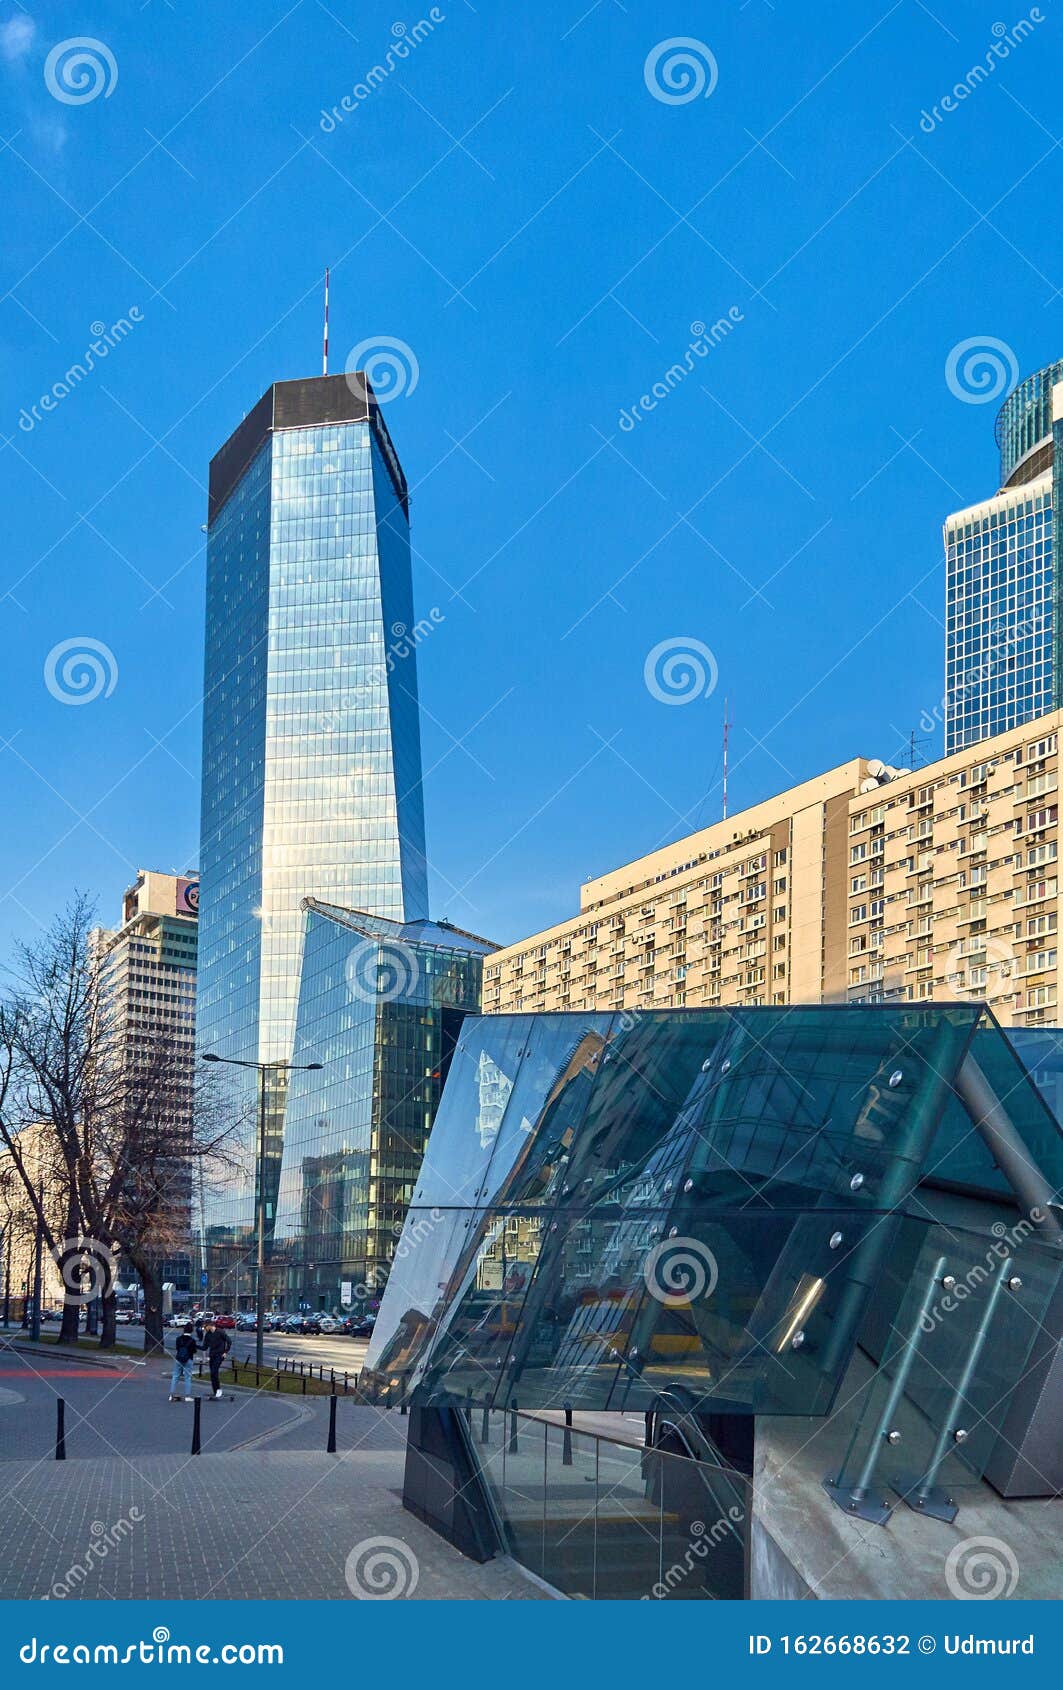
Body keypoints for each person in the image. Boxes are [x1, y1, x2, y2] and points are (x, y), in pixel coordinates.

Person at [169, 1322, 196, 1402]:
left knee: (175, 1376)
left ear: (184, 1330)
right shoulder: (192, 1340)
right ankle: (187, 1396)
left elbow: (177, 1348)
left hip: (178, 1359)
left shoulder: (178, 1339)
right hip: (189, 1359)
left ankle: (171, 1395)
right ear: (191, 1330)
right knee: (187, 1378)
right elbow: (194, 1351)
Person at [204, 1321, 231, 1400]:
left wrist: (225, 1352)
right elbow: (204, 1347)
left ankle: (218, 1390)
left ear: (210, 1325)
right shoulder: (208, 1335)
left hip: (219, 1355)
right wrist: (193, 1346)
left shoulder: (220, 1332)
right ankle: (215, 1391)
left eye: (205, 1327)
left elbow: (229, 1341)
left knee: (214, 1372)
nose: (204, 1328)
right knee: (212, 1374)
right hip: (212, 1356)